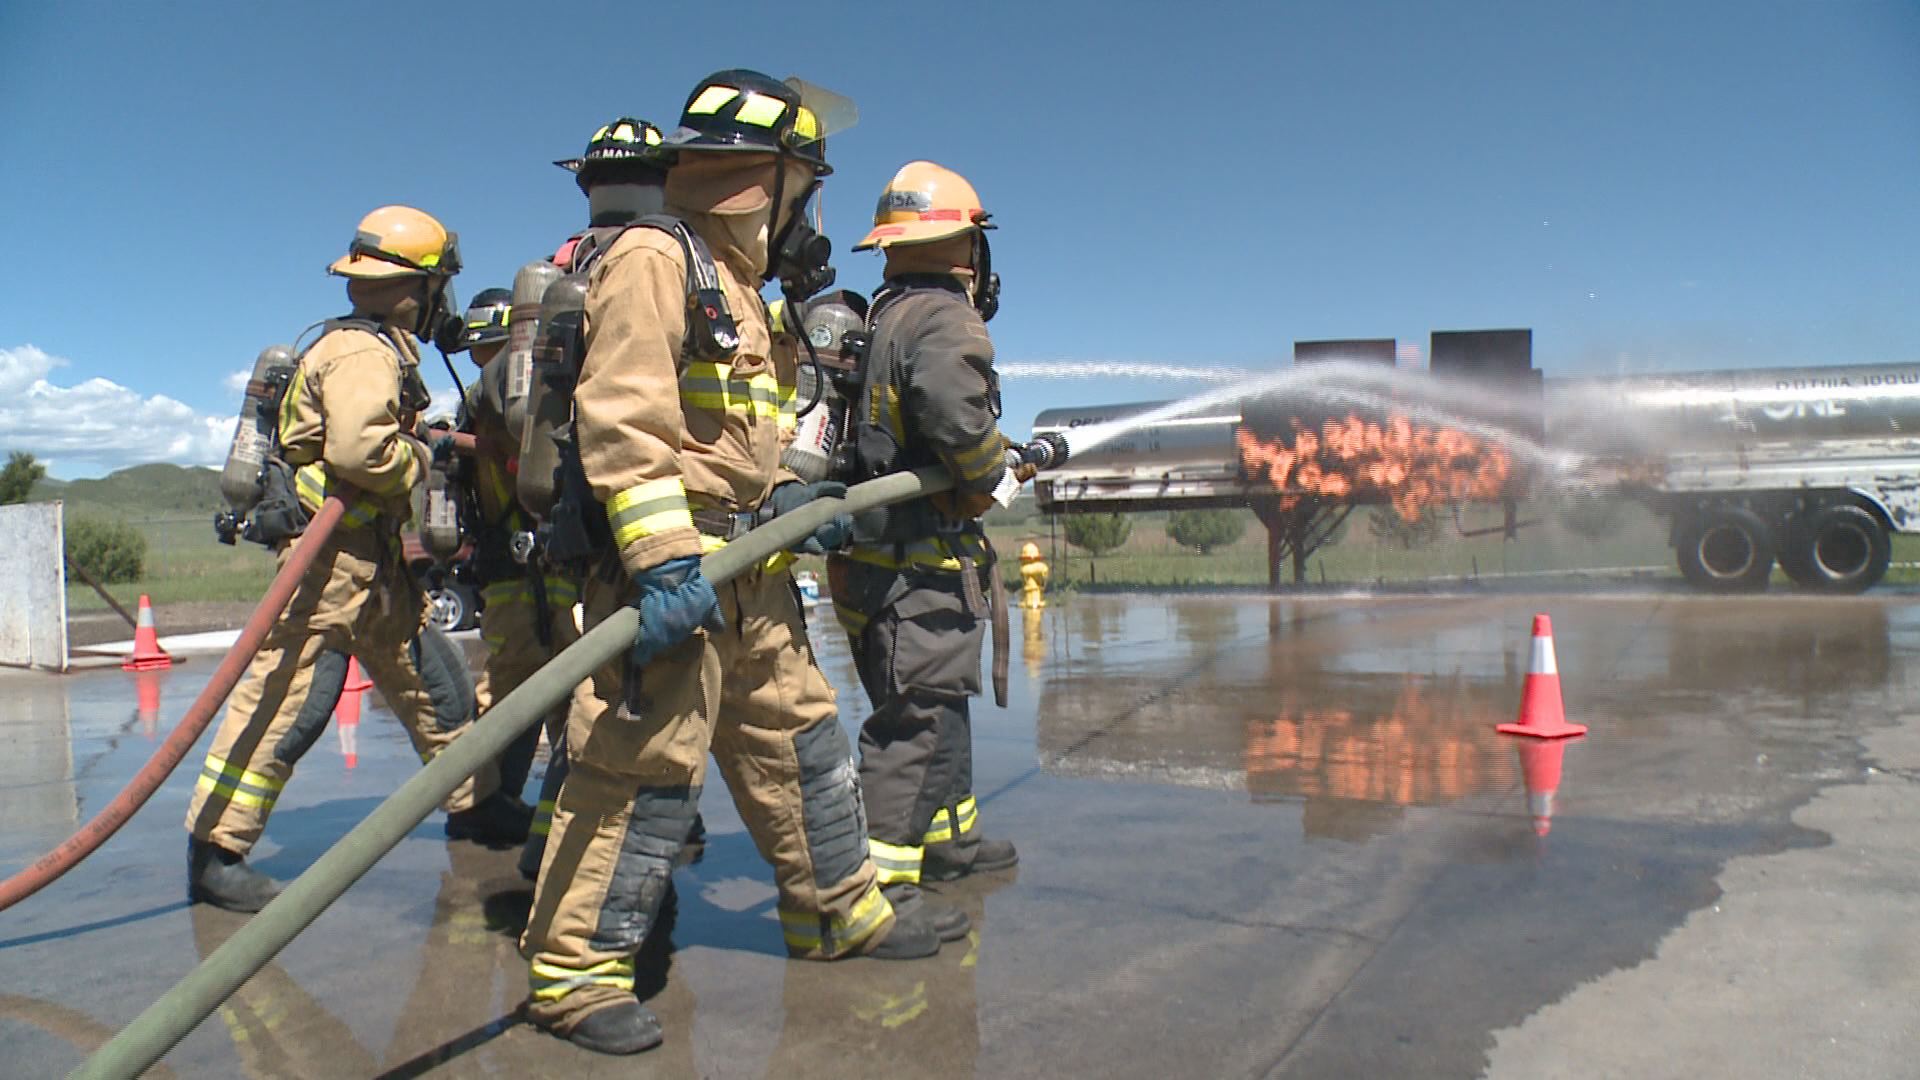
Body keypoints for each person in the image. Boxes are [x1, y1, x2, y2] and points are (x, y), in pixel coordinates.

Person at [520, 70, 953, 1057]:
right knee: (640, 764)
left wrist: (796, 494)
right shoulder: (654, 258)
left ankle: (836, 908)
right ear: (768, 179)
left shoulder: (739, 288)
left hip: (748, 569)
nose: (814, 210)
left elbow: (747, 436)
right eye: (809, 183)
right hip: (674, 572)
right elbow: (625, 419)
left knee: (798, 734)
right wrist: (665, 559)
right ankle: (576, 974)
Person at [185, 206, 529, 913]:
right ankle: (216, 851)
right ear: (419, 286)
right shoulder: (364, 353)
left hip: (370, 563)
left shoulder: (375, 347)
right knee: (290, 703)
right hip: (326, 561)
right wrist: (423, 454)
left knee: (432, 685)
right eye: (440, 287)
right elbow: (359, 451)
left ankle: (476, 804)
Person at [827, 162, 1026, 905]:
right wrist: (994, 475)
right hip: (920, 568)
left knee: (940, 705)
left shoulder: (883, 312)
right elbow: (954, 416)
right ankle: (885, 890)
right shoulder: (945, 317)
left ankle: (949, 841)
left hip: (881, 563)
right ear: (966, 246)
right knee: (914, 722)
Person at [448, 288, 580, 805]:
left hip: (512, 571)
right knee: (545, 693)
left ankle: (501, 806)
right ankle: (493, 807)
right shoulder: (510, 388)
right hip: (532, 570)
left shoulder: (482, 398)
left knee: (523, 689)